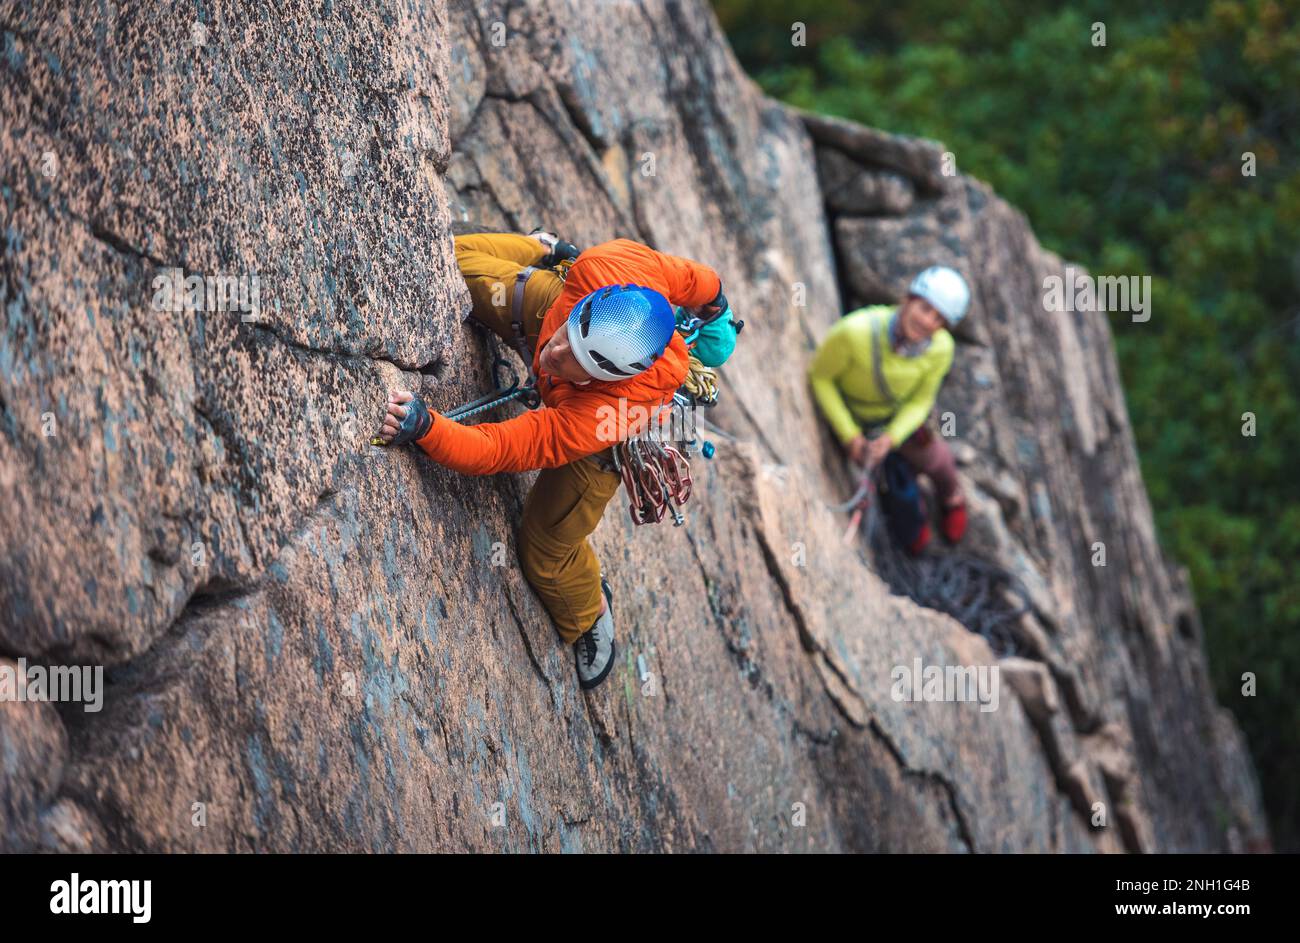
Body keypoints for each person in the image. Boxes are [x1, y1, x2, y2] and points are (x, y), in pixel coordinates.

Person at [373, 230, 733, 689]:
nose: (553, 353)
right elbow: (691, 278)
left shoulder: (602, 416)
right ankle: (544, 248)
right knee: (455, 264)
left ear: (600, 378)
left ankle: (589, 613)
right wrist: (716, 300)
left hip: (601, 445)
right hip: (561, 303)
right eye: (566, 341)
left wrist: (427, 428)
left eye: (572, 361)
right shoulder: (607, 267)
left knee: (545, 550)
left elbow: (498, 448)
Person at [807, 266, 970, 553]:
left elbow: (921, 399)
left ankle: (952, 498)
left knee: (940, 460)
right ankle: (914, 534)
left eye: (938, 319)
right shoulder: (854, 333)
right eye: (924, 308)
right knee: (894, 487)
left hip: (893, 421)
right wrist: (850, 436)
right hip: (855, 417)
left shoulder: (940, 348)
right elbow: (821, 377)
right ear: (907, 299)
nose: (927, 321)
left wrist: (892, 438)